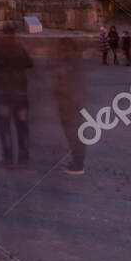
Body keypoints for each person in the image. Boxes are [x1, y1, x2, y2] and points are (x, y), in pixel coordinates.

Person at [0, 38, 33, 166]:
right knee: (22, 128)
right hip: (20, 95)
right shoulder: (19, 49)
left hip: (4, 96)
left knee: (5, 128)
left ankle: (8, 158)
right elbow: (30, 63)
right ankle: (23, 159)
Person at [52, 47, 88, 175]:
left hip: (69, 108)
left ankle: (78, 165)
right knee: (75, 135)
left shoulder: (67, 70)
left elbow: (63, 89)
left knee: (73, 135)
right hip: (72, 107)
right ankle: (77, 162)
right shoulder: (75, 69)